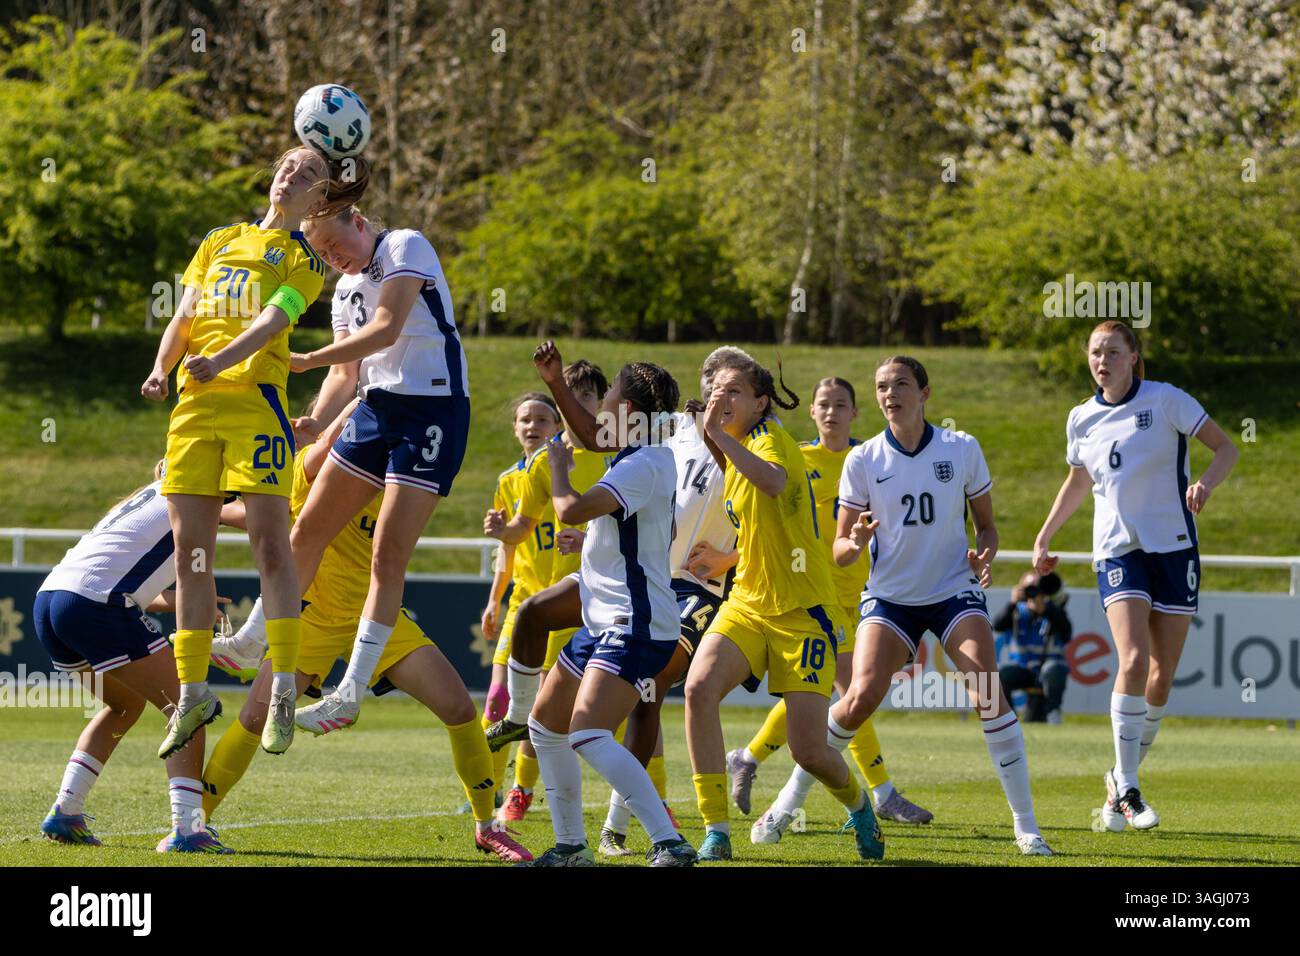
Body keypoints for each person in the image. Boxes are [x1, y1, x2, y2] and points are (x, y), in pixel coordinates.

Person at [205, 397, 531, 862]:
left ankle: (486, 827)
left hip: (378, 617)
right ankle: (195, 820)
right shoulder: (312, 467)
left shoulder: (402, 476)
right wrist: (358, 404)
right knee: (255, 719)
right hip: (313, 617)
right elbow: (302, 472)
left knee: (459, 708)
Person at [753, 355, 1054, 856]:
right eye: (882, 386)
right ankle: (785, 804)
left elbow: (987, 526)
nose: (890, 393)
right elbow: (840, 549)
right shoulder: (864, 459)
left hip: (953, 590)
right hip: (891, 598)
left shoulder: (962, 448)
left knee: (985, 685)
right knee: (862, 694)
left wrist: (986, 554)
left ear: (925, 393)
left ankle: (1027, 828)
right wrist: (857, 540)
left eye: (900, 384)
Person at [142, 145, 367, 758]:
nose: (290, 172)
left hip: (254, 404)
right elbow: (185, 314)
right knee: (191, 551)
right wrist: (164, 368)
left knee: (272, 543)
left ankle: (284, 689)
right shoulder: (219, 239)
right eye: (287, 163)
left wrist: (222, 360)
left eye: (307, 171)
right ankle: (193, 696)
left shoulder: (304, 263)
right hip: (193, 407)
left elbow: (273, 323)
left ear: (320, 199)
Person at [218, 203, 471, 737]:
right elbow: (345, 374)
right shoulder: (345, 290)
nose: (335, 261)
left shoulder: (406, 245)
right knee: (306, 528)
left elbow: (386, 330)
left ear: (359, 222)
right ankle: (250, 639)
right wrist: (313, 420)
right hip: (376, 408)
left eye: (337, 246)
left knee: (387, 553)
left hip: (432, 410)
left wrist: (306, 358)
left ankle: (351, 691)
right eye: (325, 256)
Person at [1033, 320, 1238, 831]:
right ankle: (1128, 788)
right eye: (1095, 353)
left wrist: (1205, 484)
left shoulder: (1167, 399)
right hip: (1117, 551)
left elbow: (1227, 448)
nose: (1102, 361)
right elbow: (1078, 480)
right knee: (1131, 657)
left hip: (1174, 549)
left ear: (1133, 356)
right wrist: (1045, 534)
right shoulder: (1080, 418)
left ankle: (1118, 780)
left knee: (1160, 677)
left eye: (1113, 352)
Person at [683, 352, 884, 863]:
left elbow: (771, 481)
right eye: (717, 391)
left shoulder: (772, 440)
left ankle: (860, 806)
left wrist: (717, 434)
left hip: (803, 613)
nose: (720, 400)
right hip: (748, 603)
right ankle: (716, 832)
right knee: (698, 689)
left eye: (733, 393)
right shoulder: (736, 444)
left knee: (809, 751)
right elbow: (760, 530)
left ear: (760, 402)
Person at [515, 345, 696, 866]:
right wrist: (556, 383)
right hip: (606, 616)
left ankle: (669, 842)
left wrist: (557, 467)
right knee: (546, 728)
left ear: (631, 413)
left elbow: (569, 510)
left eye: (610, 398)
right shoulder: (636, 450)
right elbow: (595, 435)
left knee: (587, 732)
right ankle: (572, 847)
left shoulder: (646, 464)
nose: (603, 409)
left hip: (636, 622)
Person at [729, 376, 934, 831]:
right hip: (811, 596)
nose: (831, 412)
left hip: (867, 595)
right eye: (823, 404)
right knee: (850, 690)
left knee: (826, 693)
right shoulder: (796, 457)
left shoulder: (871, 459)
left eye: (841, 404)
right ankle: (881, 793)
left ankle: (747, 756)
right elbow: (761, 521)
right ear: (813, 412)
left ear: (854, 413)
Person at [35, 461, 234, 852]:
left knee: (124, 706)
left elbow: (123, 577)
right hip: (95, 603)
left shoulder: (150, 495)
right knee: (188, 705)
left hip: (52, 600)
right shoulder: (195, 497)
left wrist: (180, 601)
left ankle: (66, 810)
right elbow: (257, 518)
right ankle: (188, 829)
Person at [484, 361, 613, 822]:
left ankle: (525, 788)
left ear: (603, 404)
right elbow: (520, 530)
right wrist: (503, 535)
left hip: (598, 596)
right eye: (568, 401)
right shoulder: (537, 467)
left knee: (624, 706)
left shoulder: (616, 453)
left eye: (587, 400)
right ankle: (501, 789)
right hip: (546, 600)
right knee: (521, 706)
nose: (578, 409)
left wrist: (589, 539)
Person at [477, 392, 562, 808]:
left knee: (541, 708)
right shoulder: (508, 480)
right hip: (522, 602)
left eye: (543, 419)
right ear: (514, 428)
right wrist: (494, 599)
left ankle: (521, 789)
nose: (533, 426)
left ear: (558, 426)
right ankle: (484, 785)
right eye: (525, 419)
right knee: (497, 698)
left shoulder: (568, 471)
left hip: (563, 603)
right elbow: (506, 549)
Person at [995, 572, 1073, 724]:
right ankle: (1008, 719)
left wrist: (1046, 611)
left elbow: (1067, 634)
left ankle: (1053, 715)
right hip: (1024, 669)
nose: (1033, 593)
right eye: (1028, 589)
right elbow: (998, 625)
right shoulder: (1016, 611)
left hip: (1050, 668)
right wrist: (1012, 603)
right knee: (1002, 675)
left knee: (1053, 669)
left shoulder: (1053, 609)